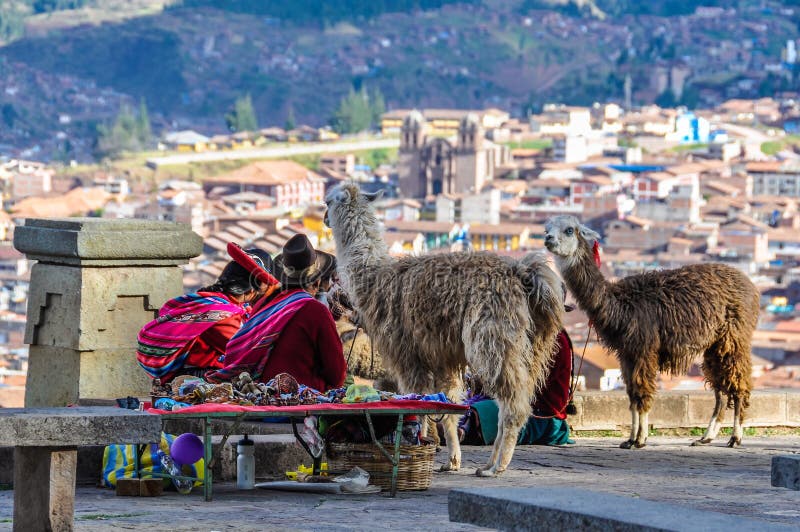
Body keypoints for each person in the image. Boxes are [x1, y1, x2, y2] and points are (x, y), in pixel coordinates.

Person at [207, 234, 346, 392]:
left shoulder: (263, 307)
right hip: (301, 400)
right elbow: (336, 375)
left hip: (259, 395)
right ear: (317, 281)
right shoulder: (316, 310)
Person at [136, 245, 277, 383]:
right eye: (265, 287)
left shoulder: (208, 301)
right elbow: (244, 350)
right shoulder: (225, 315)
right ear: (252, 290)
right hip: (200, 378)